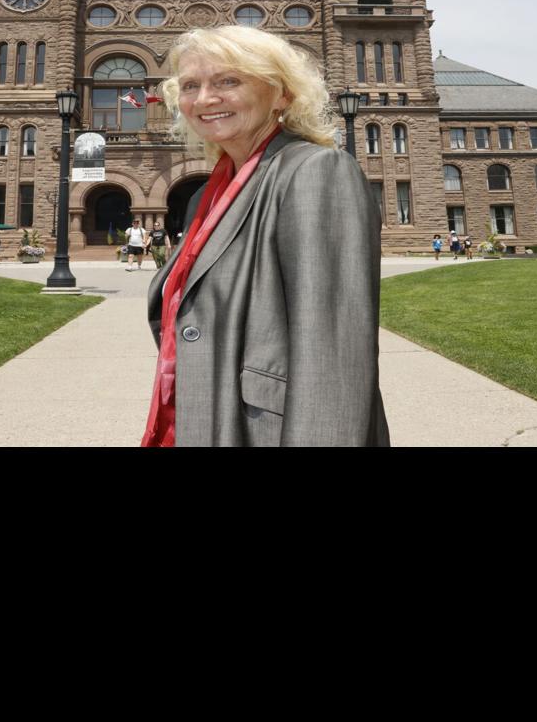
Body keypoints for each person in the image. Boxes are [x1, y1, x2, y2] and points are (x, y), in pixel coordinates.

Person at [143, 24, 390, 447]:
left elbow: (330, 350)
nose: (204, 99)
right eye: (190, 86)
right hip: (199, 422)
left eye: (228, 81)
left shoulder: (315, 172)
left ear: (282, 94)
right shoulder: (210, 191)